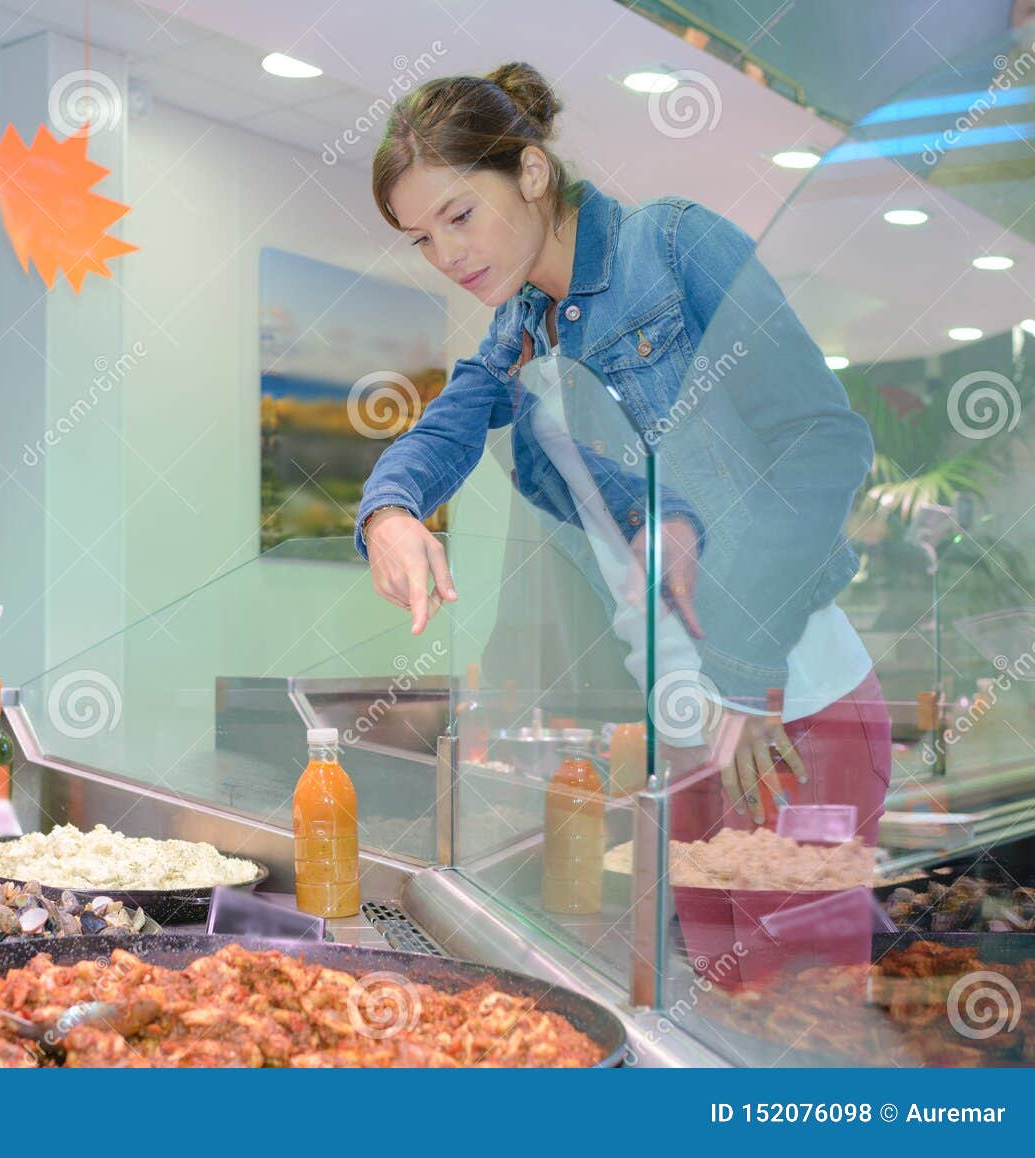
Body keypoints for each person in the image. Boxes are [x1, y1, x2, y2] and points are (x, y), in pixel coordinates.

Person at [356, 63, 889, 839]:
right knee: (704, 962)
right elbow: (447, 427)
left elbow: (823, 444)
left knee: (791, 965)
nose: (447, 254)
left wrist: (745, 680)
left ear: (532, 172)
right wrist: (390, 512)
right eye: (423, 238)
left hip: (789, 703)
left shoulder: (674, 245)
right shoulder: (518, 332)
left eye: (460, 215)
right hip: (685, 725)